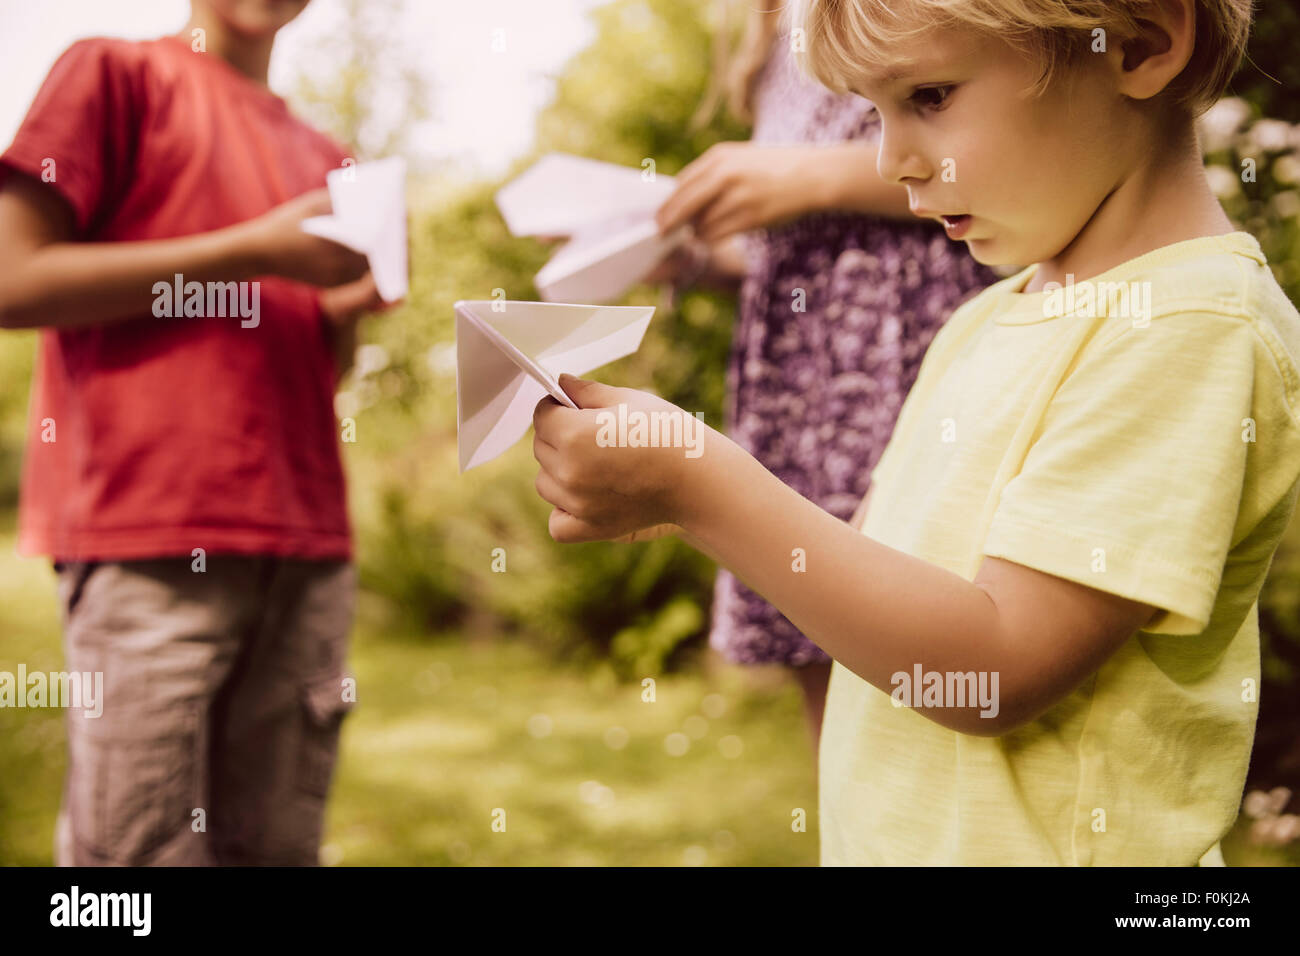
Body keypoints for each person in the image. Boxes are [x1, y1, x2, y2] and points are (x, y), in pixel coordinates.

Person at [532, 0, 1297, 865]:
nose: (892, 160)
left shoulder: (1187, 324)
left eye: (928, 96)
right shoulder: (984, 321)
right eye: (875, 112)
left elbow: (999, 665)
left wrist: (707, 488)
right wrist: (682, 504)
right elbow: (888, 594)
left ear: (1142, 44)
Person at [0, 0, 385, 865]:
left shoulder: (329, 160)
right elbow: (10, 276)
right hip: (149, 536)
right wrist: (253, 250)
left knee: (277, 847)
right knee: (135, 863)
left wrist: (342, 314)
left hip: (305, 543)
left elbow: (314, 370)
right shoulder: (113, 74)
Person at [651, 2, 994, 757]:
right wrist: (698, 259)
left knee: (923, 626)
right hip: (803, 382)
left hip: (905, 353)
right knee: (827, 657)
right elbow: (793, 249)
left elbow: (982, 153)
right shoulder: (774, 25)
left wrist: (812, 175)